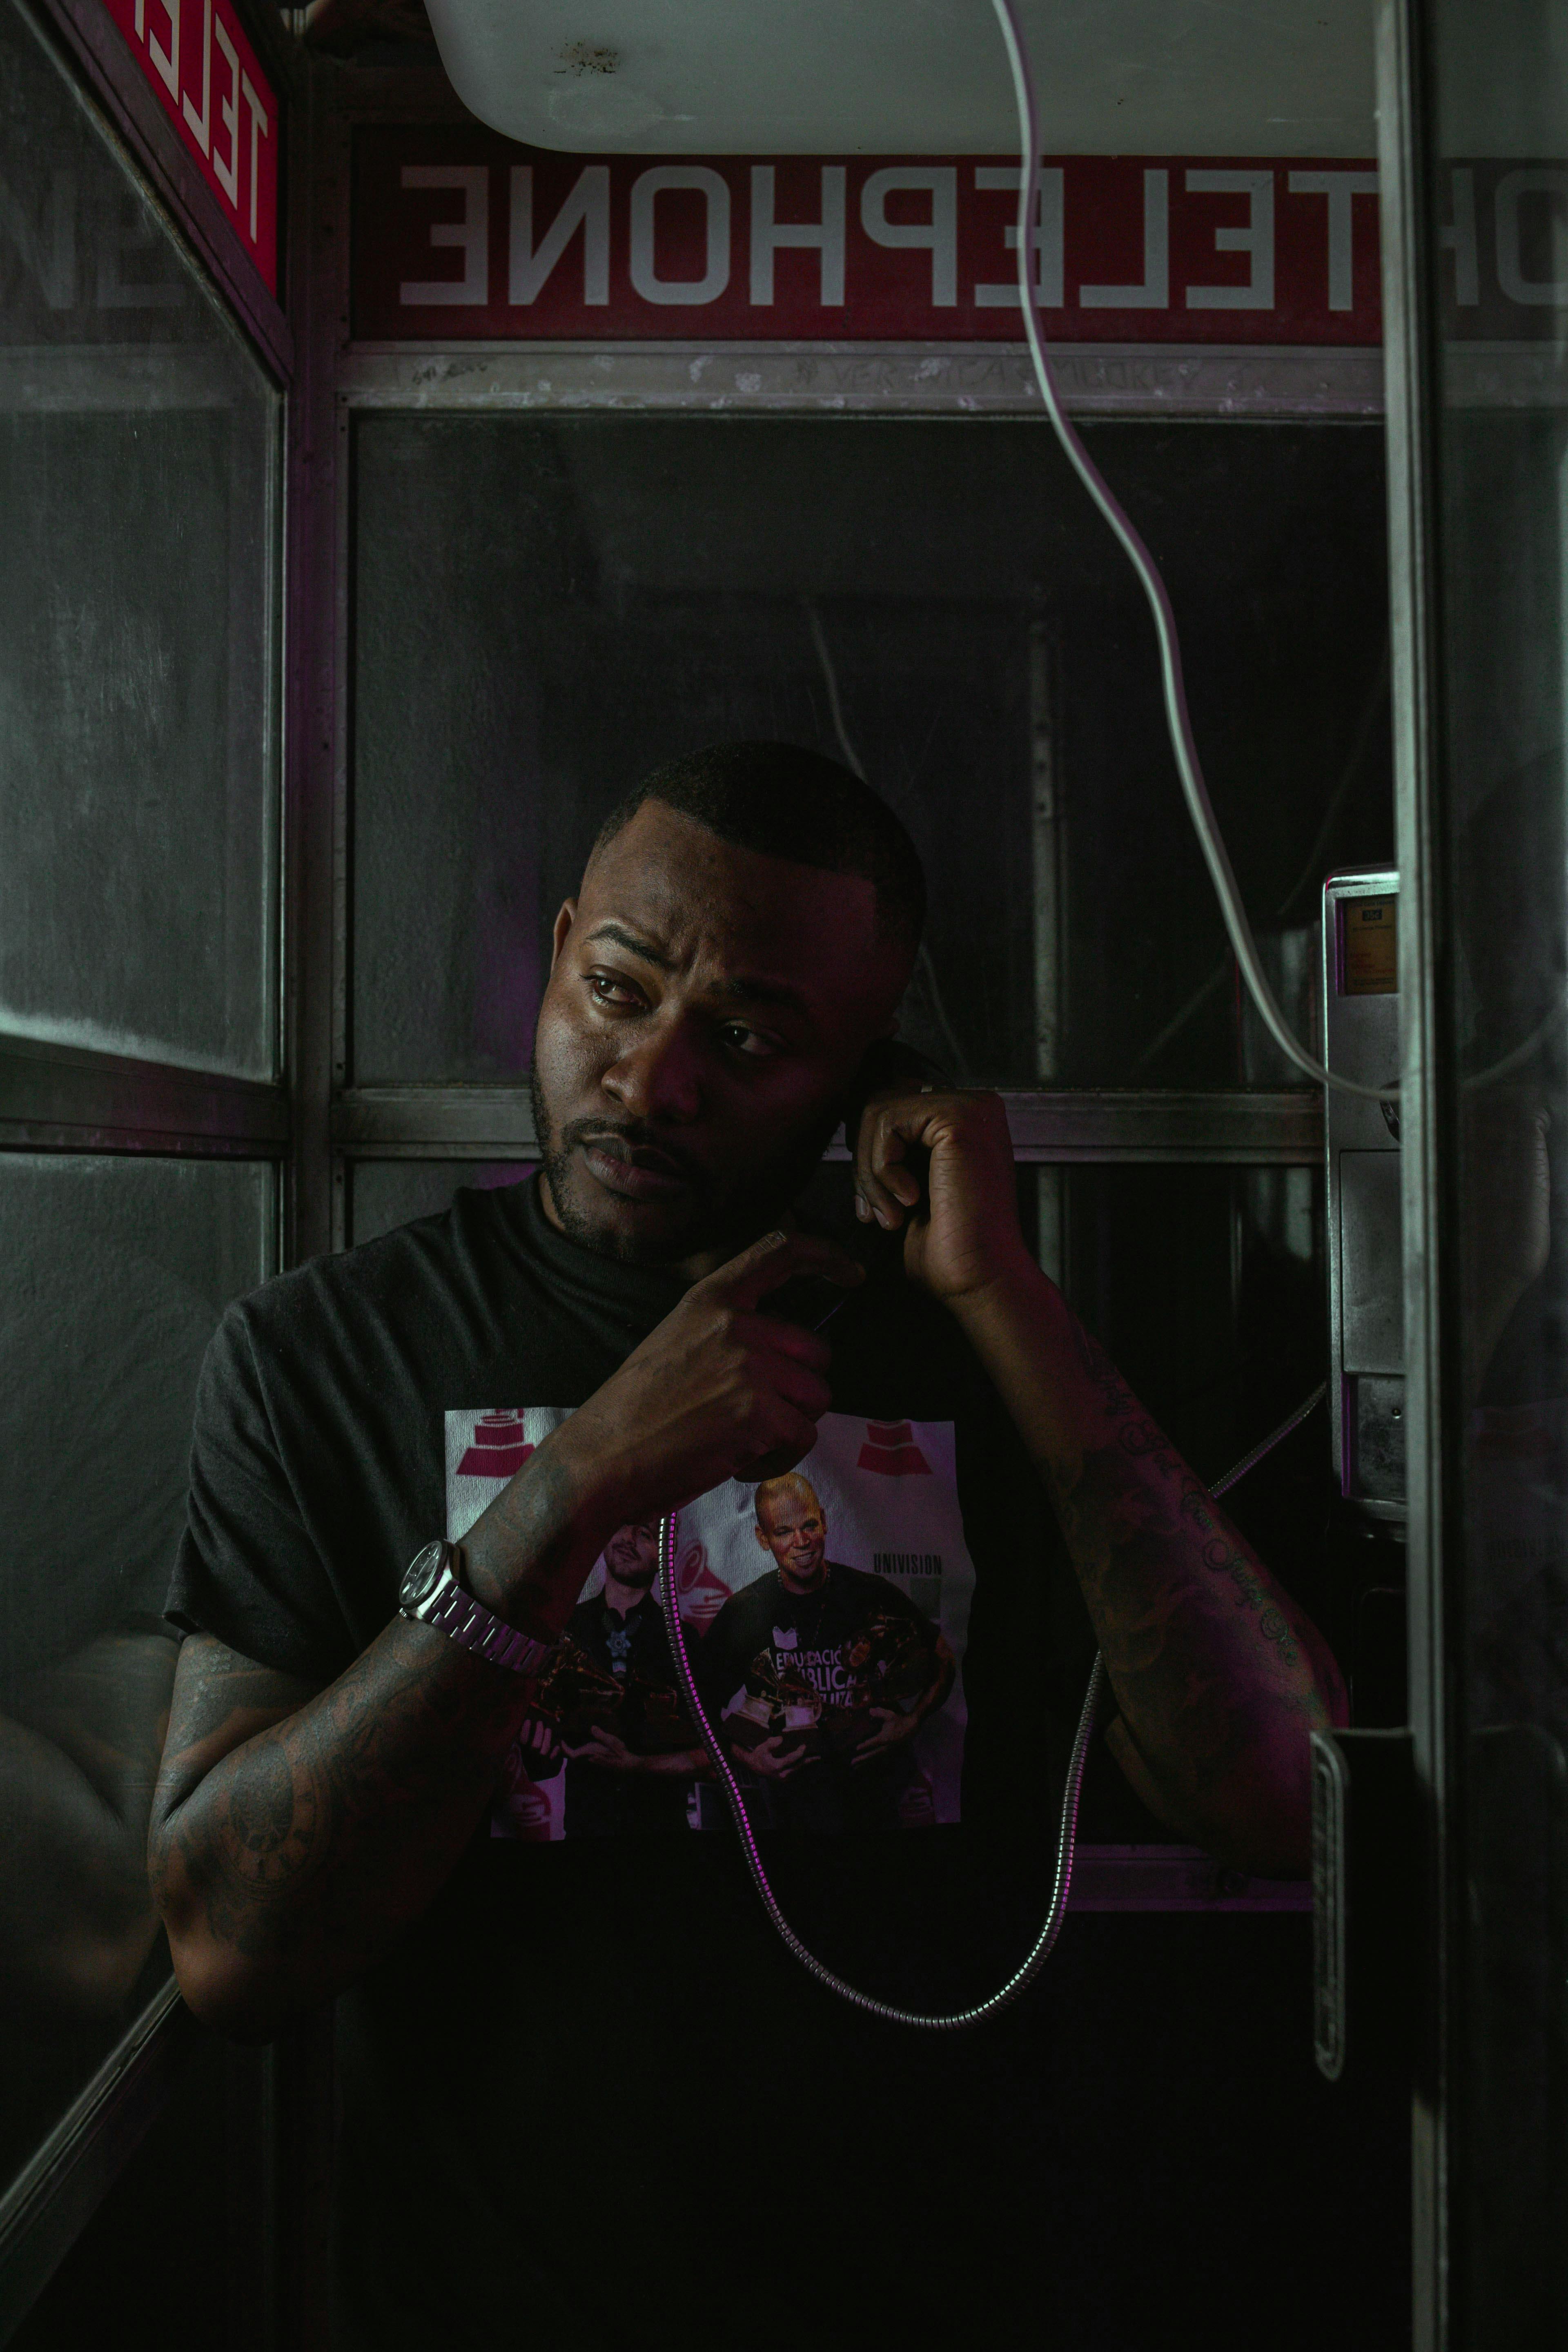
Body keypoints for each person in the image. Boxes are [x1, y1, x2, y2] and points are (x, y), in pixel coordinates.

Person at [147, 740, 1345, 2351]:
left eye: (754, 1038)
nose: (651, 1082)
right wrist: (571, 1486)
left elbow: (1284, 1794)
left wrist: (1004, 1303)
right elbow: (230, 1947)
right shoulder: (319, 1359)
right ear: (563, 944)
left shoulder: (969, 1364)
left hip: (944, 2293)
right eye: (620, 989)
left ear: (867, 1076)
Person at [700, 1472, 955, 1832]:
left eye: (808, 1526)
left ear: (824, 1520)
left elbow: (943, 1656)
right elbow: (697, 1705)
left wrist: (912, 1722)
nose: (802, 1542)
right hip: (791, 1819)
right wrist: (745, 1757)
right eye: (784, 1532)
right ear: (762, 1538)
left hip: (880, 1809)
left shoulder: (869, 1593)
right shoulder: (745, 1612)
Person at [539, 1519, 710, 1837]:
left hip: (663, 1839)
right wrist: (542, 1743)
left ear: (665, 1554)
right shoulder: (567, 1628)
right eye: (621, 1524)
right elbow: (540, 1764)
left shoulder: (682, 1640)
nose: (629, 1539)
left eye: (645, 1534)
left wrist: (639, 1766)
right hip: (585, 1837)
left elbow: (711, 1756)